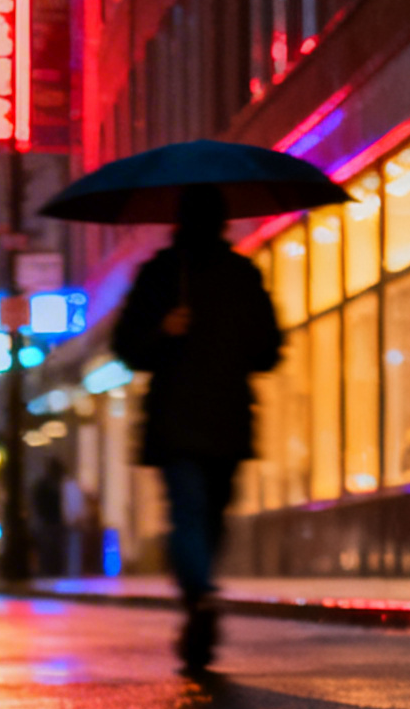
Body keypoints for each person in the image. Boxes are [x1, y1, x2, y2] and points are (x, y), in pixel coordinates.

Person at [110, 183, 283, 671]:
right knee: (207, 517)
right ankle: (201, 595)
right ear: (224, 222)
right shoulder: (241, 274)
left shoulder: (158, 274)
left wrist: (163, 333)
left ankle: (199, 597)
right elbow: (269, 349)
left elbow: (126, 348)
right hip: (225, 421)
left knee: (189, 517)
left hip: (178, 421)